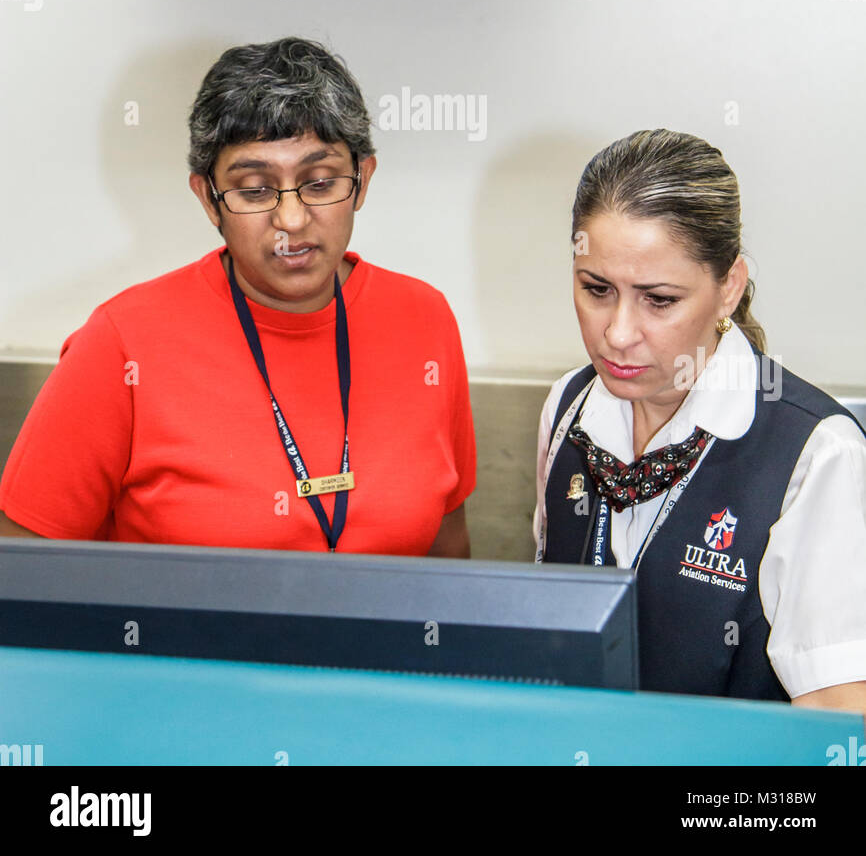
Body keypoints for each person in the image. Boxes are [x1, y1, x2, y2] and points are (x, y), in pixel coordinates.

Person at [0, 38, 475, 556]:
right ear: (208, 198)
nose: (291, 220)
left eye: (319, 183)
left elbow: (447, 555)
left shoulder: (424, 321)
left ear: (362, 181)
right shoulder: (121, 344)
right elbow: (22, 574)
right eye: (254, 189)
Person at [535, 129, 866, 713]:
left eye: (658, 299)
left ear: (728, 288)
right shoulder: (567, 407)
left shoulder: (817, 456)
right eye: (596, 289)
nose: (617, 333)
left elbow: (838, 720)